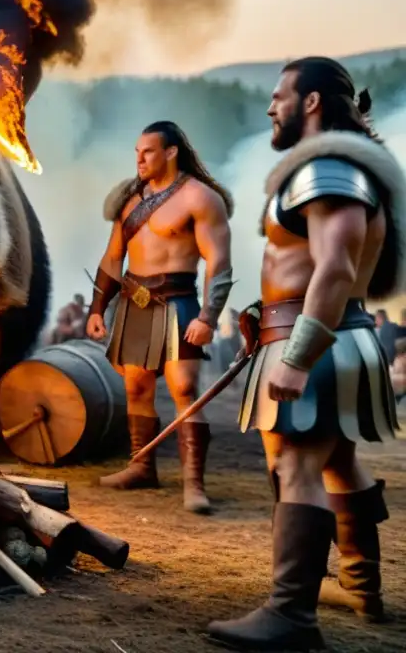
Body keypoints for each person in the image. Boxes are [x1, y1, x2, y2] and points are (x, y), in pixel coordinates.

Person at [206, 57, 404, 650]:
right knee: (336, 460)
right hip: (321, 336)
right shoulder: (334, 169)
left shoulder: (327, 170)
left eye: (279, 96)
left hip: (319, 341)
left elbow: (336, 267)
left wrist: (295, 355)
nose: (270, 107)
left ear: (311, 102)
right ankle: (362, 589)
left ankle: (292, 614)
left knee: (296, 465)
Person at [87, 120, 234, 515]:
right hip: (134, 304)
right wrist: (97, 308)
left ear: (171, 152)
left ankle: (194, 484)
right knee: (135, 387)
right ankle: (141, 466)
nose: (139, 159)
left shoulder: (200, 198)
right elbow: (114, 257)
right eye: (136, 152)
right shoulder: (130, 201)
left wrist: (208, 315)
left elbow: (217, 261)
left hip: (178, 303)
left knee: (185, 388)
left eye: (148, 151)